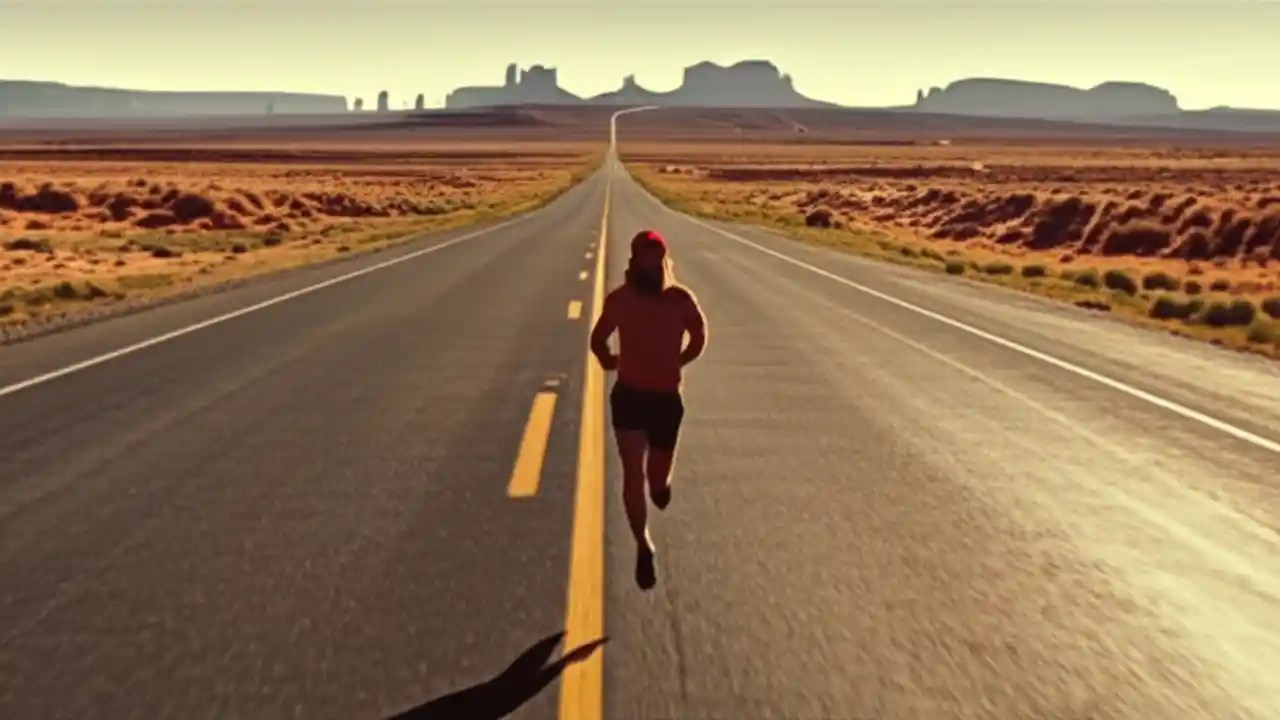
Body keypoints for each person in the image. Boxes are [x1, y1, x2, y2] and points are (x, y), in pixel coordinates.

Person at [590, 229, 707, 590]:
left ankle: (662, 486)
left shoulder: (679, 298)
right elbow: (598, 337)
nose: (652, 266)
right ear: (634, 261)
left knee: (656, 479)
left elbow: (700, 334)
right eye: (645, 259)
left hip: (666, 401)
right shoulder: (621, 299)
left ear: (664, 261)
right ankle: (643, 545)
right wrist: (609, 359)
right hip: (629, 397)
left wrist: (679, 362)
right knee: (632, 475)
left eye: (657, 260)